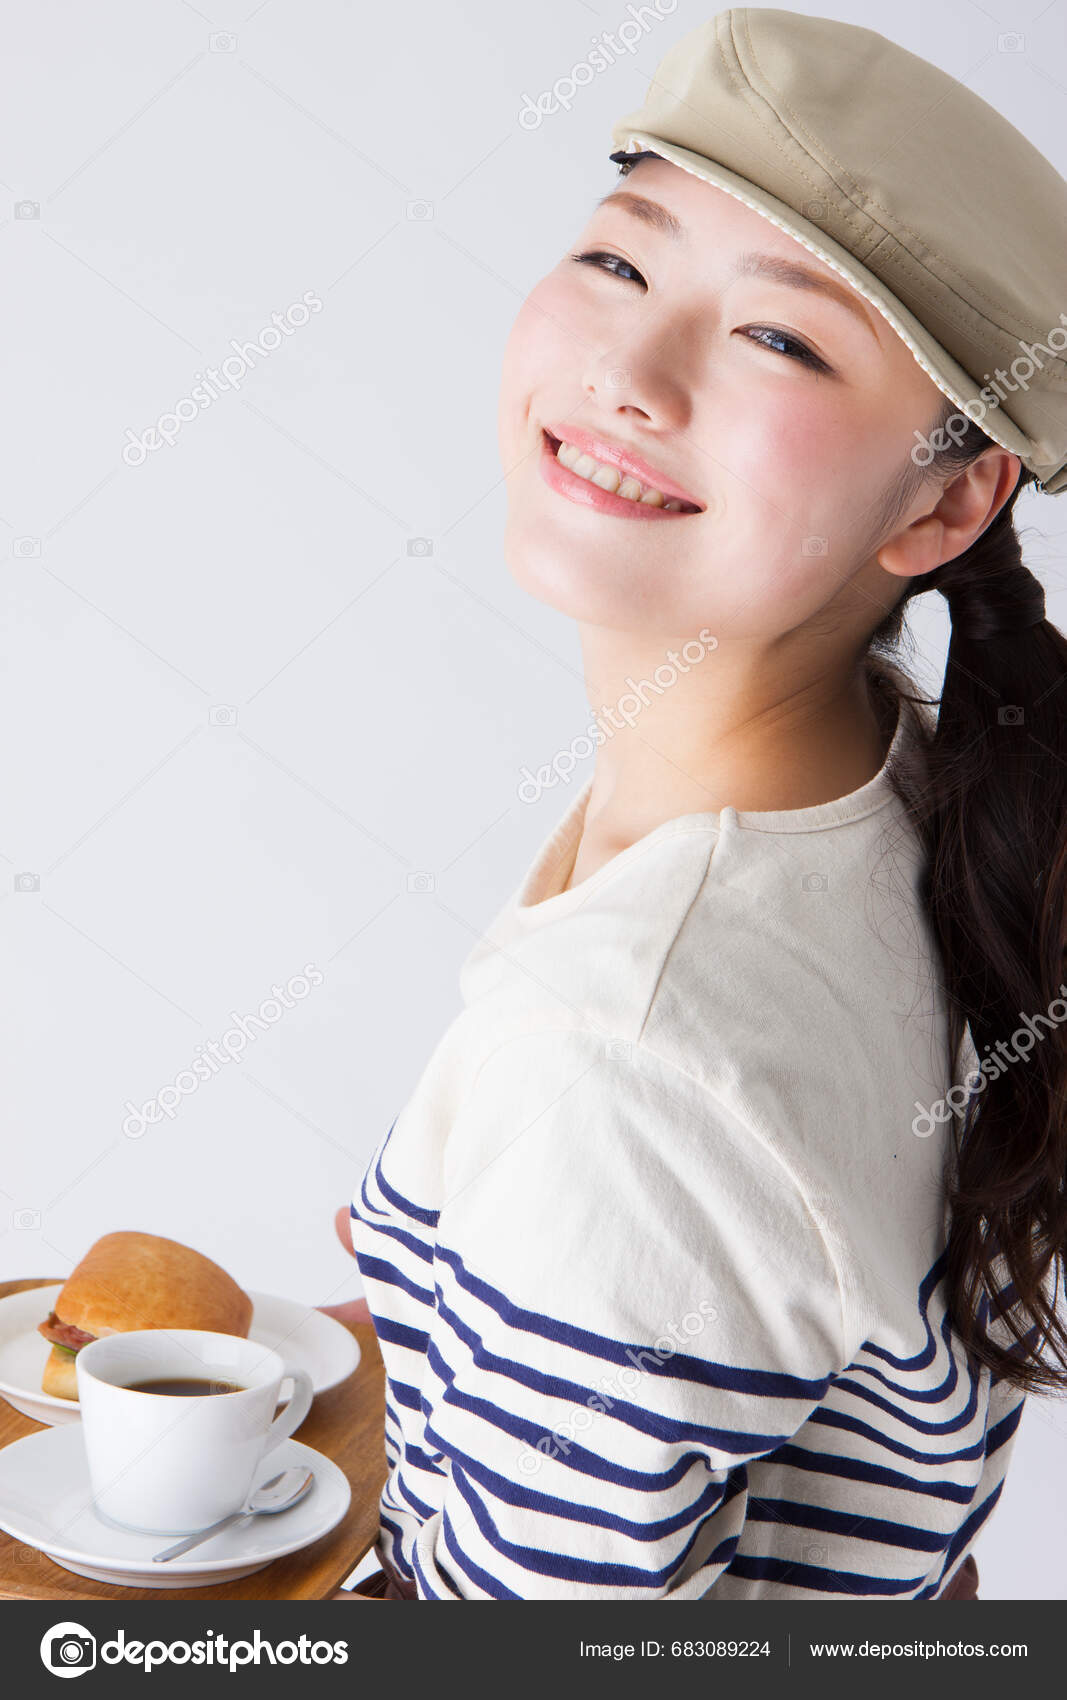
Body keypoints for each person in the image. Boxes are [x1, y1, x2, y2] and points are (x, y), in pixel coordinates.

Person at [328, 8, 1067, 1600]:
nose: (629, 371)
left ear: (945, 501)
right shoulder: (906, 782)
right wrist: (457, 1356)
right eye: (620, 260)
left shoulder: (634, 1049)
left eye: (781, 339)